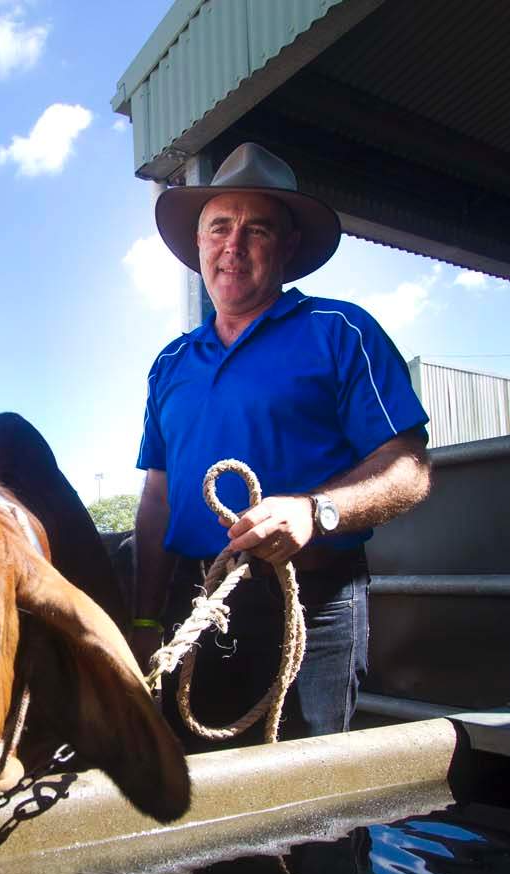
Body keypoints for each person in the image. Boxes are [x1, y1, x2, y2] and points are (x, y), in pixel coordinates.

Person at [129, 142, 431, 750]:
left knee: (307, 791)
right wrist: (143, 616)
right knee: (195, 784)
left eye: (257, 230)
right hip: (198, 606)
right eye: (219, 227)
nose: (233, 245)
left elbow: (411, 468)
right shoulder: (170, 363)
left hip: (312, 605)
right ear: (198, 244)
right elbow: (157, 496)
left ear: (288, 247)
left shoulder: (340, 331)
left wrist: (315, 512)